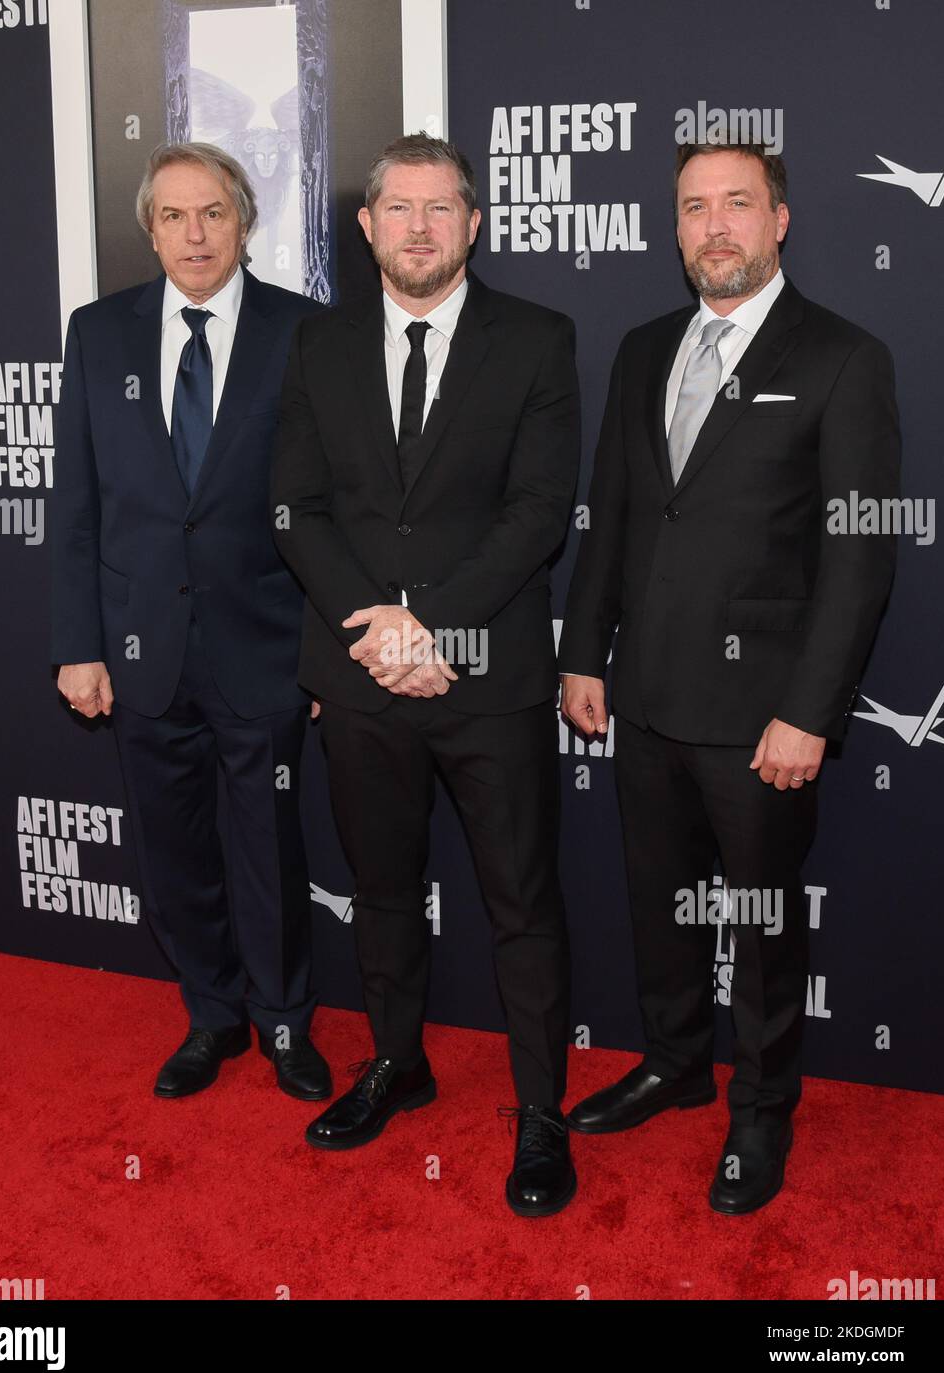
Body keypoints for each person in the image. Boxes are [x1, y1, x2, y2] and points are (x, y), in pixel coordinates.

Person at [559, 140, 899, 1214]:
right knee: (657, 906)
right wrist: (580, 649)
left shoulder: (843, 356)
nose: (714, 226)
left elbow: (857, 556)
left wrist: (809, 711)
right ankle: (671, 1065)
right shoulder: (641, 347)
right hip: (645, 696)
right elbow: (612, 510)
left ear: (780, 220)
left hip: (760, 718)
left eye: (736, 205)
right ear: (673, 228)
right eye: (693, 207)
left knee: (758, 924)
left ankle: (760, 1108)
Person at [272, 134, 581, 1216]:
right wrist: (378, 635)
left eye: (437, 208)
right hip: (357, 675)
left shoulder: (538, 341)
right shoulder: (317, 345)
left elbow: (537, 512)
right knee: (381, 888)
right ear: (364, 227)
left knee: (520, 904)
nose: (416, 227)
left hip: (485, 674)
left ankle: (540, 1112)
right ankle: (397, 1064)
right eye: (395, 207)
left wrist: (428, 624)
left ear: (473, 222)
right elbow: (296, 507)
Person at [51, 142, 331, 1104]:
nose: (195, 234)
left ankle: (286, 1021)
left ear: (245, 221)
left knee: (270, 848)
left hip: (267, 644)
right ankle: (213, 1018)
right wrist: (79, 644)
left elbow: (335, 507)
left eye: (212, 212)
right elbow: (77, 505)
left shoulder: (305, 333)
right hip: (141, 652)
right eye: (173, 217)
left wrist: (328, 651)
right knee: (173, 851)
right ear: (150, 230)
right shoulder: (98, 335)